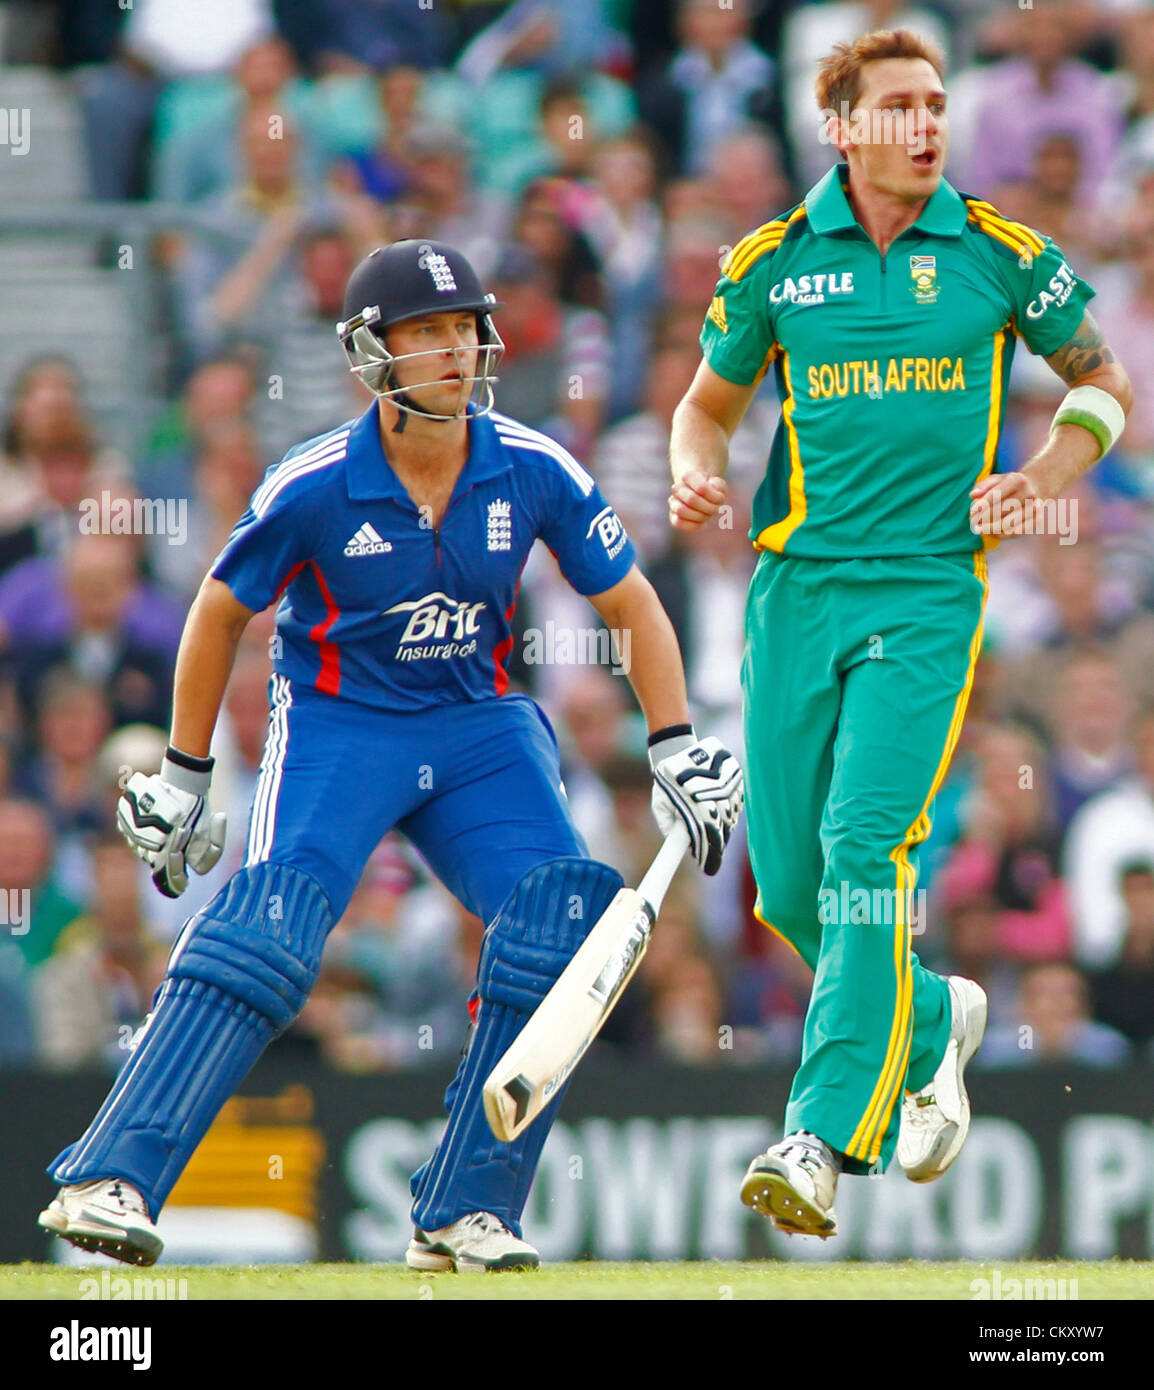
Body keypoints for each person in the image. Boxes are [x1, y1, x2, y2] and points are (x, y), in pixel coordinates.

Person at [37, 238, 743, 1272]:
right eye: (428, 333)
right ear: (372, 354)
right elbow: (216, 613)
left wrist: (673, 741)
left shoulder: (532, 461)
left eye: (465, 328)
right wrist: (187, 772)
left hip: (477, 718)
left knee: (563, 914)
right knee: (270, 931)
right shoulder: (313, 481)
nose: (457, 350)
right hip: (339, 721)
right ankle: (110, 1178)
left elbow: (628, 600)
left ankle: (461, 1211)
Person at [667, 28, 1132, 1239]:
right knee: (788, 890)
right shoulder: (772, 262)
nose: (927, 124)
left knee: (863, 845)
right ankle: (930, 1019)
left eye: (935, 104)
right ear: (841, 126)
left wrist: (1044, 469)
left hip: (925, 597)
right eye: (899, 107)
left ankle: (817, 1136)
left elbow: (1099, 384)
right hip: (791, 593)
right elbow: (702, 408)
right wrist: (692, 472)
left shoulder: (993, 250)